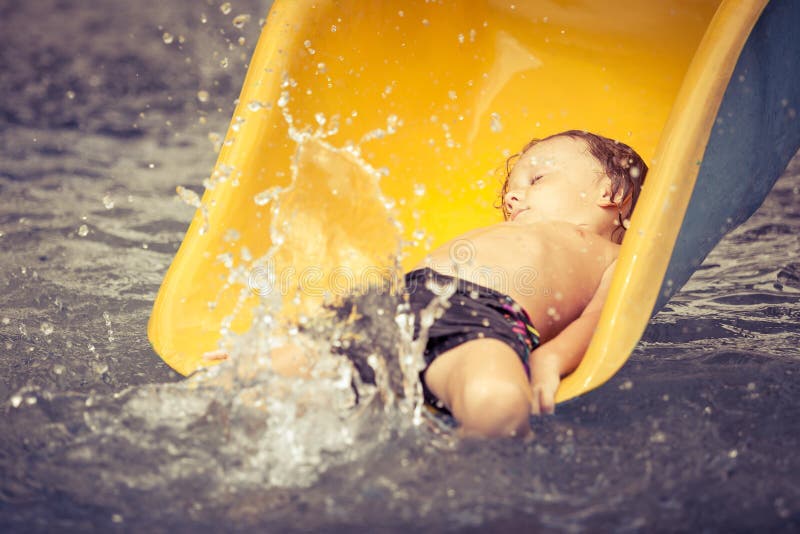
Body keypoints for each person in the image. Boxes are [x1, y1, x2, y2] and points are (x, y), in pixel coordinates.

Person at [206, 130, 648, 438]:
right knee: (242, 382)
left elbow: (602, 315)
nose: (512, 196)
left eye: (536, 179)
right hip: (397, 301)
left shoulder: (615, 256)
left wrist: (550, 360)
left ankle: (446, 486)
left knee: (498, 406)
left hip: (486, 318)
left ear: (613, 189)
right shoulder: (507, 236)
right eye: (508, 192)